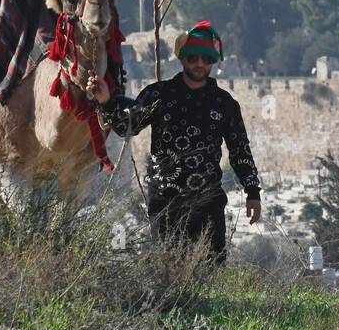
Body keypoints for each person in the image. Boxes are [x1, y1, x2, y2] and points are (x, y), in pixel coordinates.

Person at [91, 21, 261, 263]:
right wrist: (107, 101)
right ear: (182, 59)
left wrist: (252, 192)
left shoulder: (225, 104)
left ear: (213, 61)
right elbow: (127, 126)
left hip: (208, 201)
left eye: (206, 59)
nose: (200, 64)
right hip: (165, 201)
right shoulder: (158, 95)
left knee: (209, 270)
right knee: (168, 269)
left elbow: (240, 150)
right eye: (193, 58)